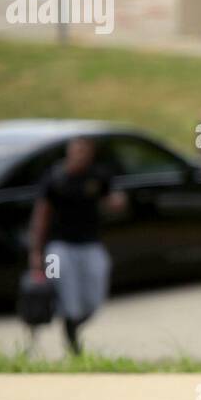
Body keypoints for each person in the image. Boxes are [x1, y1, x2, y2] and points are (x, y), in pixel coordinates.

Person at [27, 136, 124, 356]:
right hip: (59, 247)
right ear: (69, 152)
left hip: (90, 244)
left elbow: (113, 199)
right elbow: (41, 216)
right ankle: (68, 336)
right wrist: (36, 253)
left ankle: (73, 323)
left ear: (90, 153)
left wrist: (117, 202)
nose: (80, 154)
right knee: (63, 289)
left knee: (94, 295)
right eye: (76, 150)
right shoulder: (55, 178)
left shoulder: (97, 176)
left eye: (84, 150)